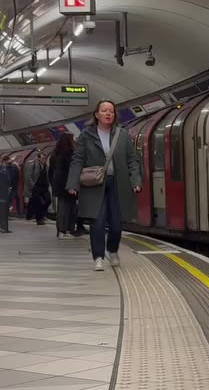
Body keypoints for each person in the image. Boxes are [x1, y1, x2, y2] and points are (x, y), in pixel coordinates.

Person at [66, 100, 142, 271]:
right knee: (97, 222)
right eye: (104, 110)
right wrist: (73, 183)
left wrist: (136, 181)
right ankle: (98, 257)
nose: (108, 113)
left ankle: (113, 250)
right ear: (96, 114)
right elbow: (77, 160)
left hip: (118, 184)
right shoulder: (86, 136)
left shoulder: (123, 135)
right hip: (94, 184)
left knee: (116, 224)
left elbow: (132, 160)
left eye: (111, 111)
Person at [49, 134, 77, 239]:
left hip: (58, 183)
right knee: (69, 208)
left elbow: (50, 171)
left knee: (62, 207)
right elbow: (72, 168)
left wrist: (53, 183)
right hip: (68, 182)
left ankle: (60, 231)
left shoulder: (54, 153)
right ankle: (66, 230)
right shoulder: (70, 152)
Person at [27, 153, 50, 225]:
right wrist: (33, 185)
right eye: (42, 158)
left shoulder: (46, 167)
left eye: (45, 158)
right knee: (38, 203)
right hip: (36, 187)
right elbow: (28, 177)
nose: (44, 160)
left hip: (45, 187)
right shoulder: (33, 166)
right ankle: (39, 219)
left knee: (48, 200)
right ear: (39, 158)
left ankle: (42, 215)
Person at [0, 156, 16, 233]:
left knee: (4, 211)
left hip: (3, 193)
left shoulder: (3, 170)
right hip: (3, 194)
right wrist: (7, 189)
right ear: (4, 162)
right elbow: (2, 183)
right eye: (8, 161)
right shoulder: (3, 171)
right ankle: (4, 228)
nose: (9, 162)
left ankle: (3, 227)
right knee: (4, 211)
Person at [23, 150, 41, 218]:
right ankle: (30, 215)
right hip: (31, 187)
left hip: (35, 187)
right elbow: (28, 177)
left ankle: (31, 215)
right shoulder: (31, 164)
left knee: (33, 200)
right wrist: (33, 185)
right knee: (31, 201)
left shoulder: (39, 165)